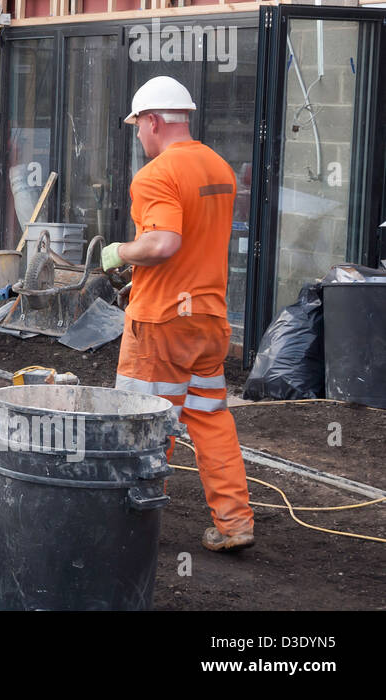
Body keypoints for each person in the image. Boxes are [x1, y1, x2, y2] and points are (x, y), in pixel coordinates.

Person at [101, 75, 255, 552]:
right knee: (210, 419)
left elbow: (165, 243)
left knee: (143, 422)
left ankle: (130, 525)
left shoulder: (156, 175)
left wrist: (120, 253)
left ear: (152, 121)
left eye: (138, 127)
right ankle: (235, 523)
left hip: (161, 325)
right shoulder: (219, 167)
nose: (139, 137)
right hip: (208, 320)